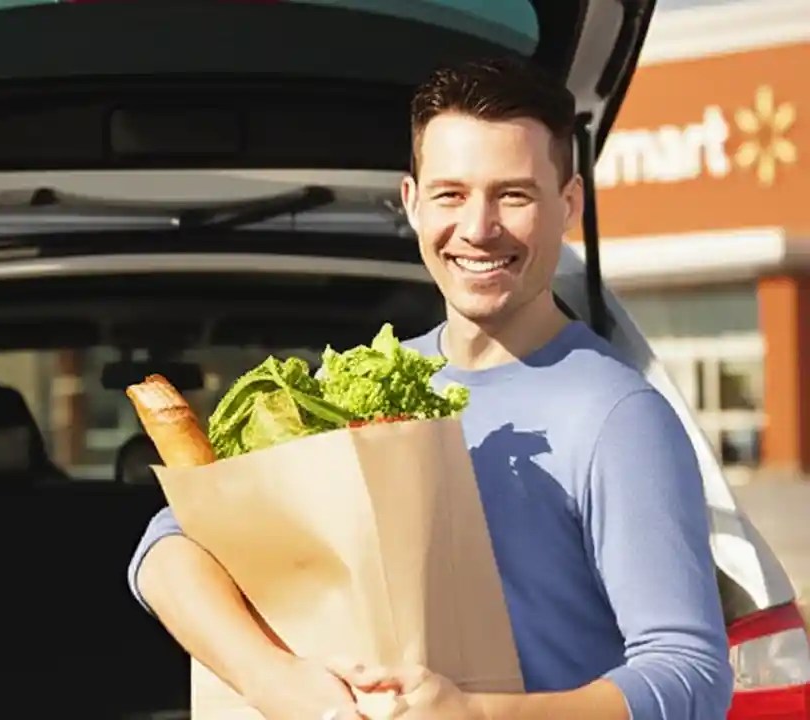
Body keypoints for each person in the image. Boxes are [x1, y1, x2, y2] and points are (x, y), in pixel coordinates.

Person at [125, 56, 734, 720]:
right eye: (451, 193)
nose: (478, 228)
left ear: (570, 204)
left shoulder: (616, 415)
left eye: (514, 194)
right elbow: (168, 548)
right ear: (412, 202)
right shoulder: (352, 386)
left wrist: (477, 715)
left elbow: (689, 673)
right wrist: (274, 681)